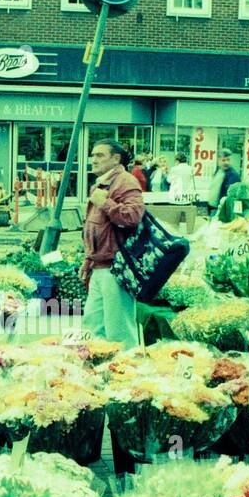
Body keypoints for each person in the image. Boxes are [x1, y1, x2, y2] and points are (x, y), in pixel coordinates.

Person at [80, 141, 145, 349]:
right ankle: (94, 369)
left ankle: (128, 374)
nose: (94, 159)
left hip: (116, 267)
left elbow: (133, 217)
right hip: (99, 267)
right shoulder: (99, 185)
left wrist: (105, 203)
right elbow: (96, 228)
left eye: (100, 155)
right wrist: (88, 259)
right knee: (91, 326)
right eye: (93, 155)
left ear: (116, 159)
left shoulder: (126, 181)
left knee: (119, 331)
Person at [167, 153, 198, 235]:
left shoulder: (174, 169)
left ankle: (175, 232)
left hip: (176, 196)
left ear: (177, 160)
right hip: (187, 196)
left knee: (175, 216)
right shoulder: (191, 169)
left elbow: (169, 180)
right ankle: (186, 233)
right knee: (186, 216)